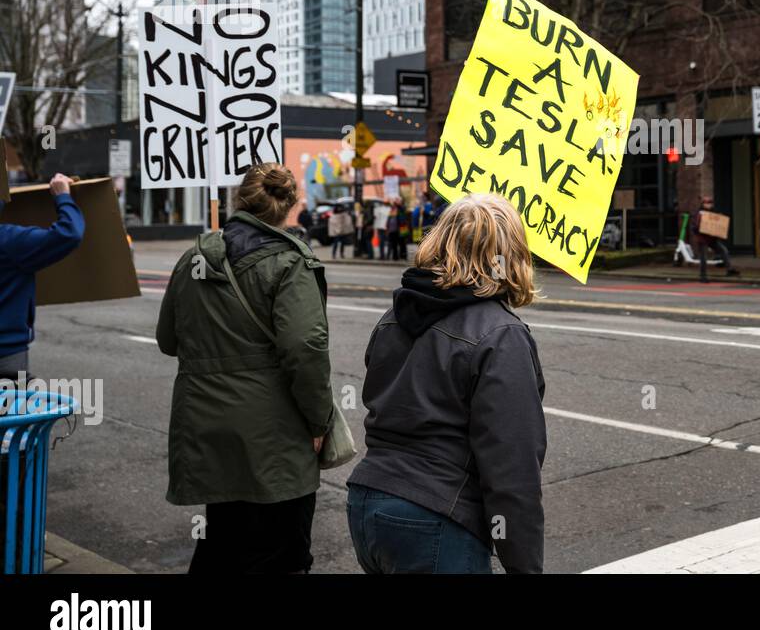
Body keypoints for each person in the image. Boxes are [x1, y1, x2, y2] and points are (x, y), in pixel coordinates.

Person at [347, 192, 547, 574]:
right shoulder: (500, 334)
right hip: (437, 514)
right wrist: (525, 567)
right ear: (510, 253)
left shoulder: (393, 316)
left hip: (367, 504)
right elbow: (512, 468)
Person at [156, 163, 335, 574]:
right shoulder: (290, 263)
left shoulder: (192, 259)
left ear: (240, 199)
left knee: (221, 548)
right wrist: (318, 421)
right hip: (272, 438)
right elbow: (304, 347)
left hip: (206, 430)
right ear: (289, 205)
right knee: (282, 554)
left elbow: (168, 340)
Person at [0, 173, 84, 381]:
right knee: (10, 410)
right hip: (6, 351)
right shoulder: (9, 241)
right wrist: (63, 195)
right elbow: (70, 233)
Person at [688, 196, 740, 282]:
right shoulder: (699, 214)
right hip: (703, 239)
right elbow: (694, 227)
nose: (709, 204)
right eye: (707, 203)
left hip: (712, 238)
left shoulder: (713, 212)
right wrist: (700, 228)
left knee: (724, 251)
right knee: (703, 258)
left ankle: (729, 269)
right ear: (703, 204)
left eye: (710, 202)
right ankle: (703, 276)